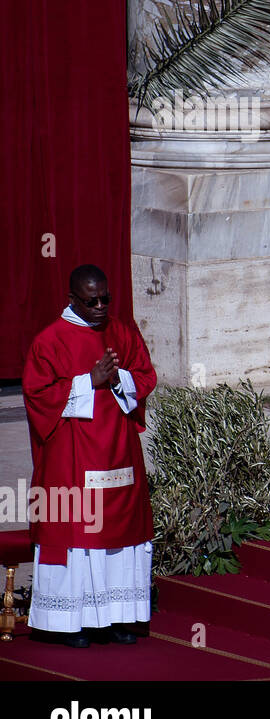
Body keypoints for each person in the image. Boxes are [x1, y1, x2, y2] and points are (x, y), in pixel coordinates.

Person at [22, 264, 156, 648]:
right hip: (72, 456)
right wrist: (88, 381)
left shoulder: (121, 332)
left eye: (105, 299)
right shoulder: (49, 341)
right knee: (79, 532)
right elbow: (37, 395)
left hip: (118, 452)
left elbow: (145, 374)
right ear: (72, 299)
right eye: (91, 300)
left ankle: (113, 617)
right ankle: (68, 624)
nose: (100, 307)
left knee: (119, 534)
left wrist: (119, 379)